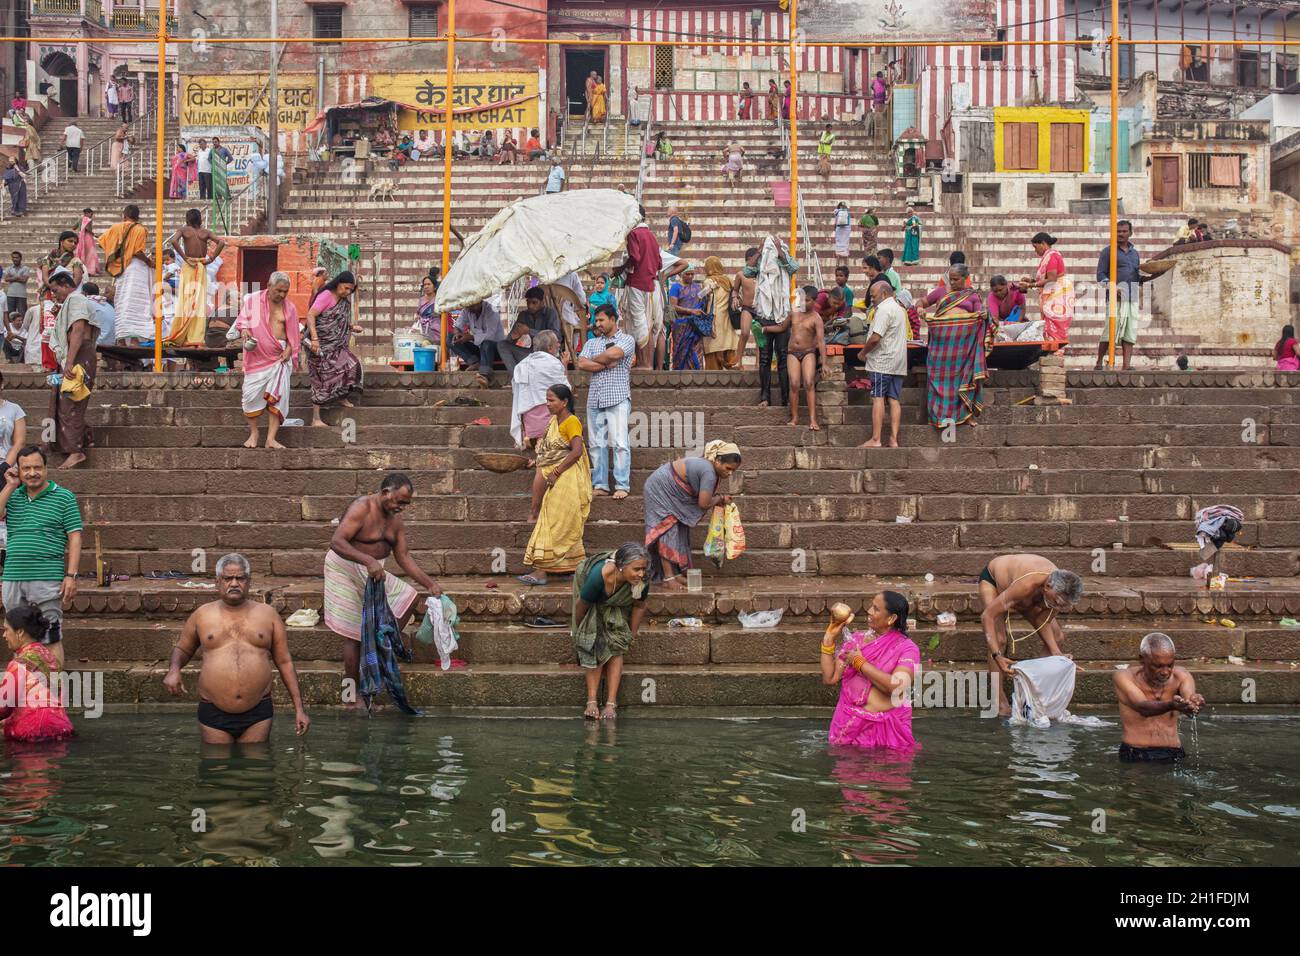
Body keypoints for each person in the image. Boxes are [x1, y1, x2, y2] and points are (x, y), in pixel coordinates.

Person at [163, 554, 309, 742]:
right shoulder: (202, 615)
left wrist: (299, 710)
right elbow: (183, 649)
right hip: (213, 713)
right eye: (227, 578)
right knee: (216, 767)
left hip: (258, 713)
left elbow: (284, 661)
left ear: (248, 582)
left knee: (256, 766)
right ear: (218, 582)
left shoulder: (268, 615)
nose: (234, 583)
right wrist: (174, 670)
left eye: (240, 578)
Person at [325, 473, 444, 693]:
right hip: (344, 567)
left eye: (406, 504)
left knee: (409, 598)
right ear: (386, 493)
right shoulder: (361, 508)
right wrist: (368, 560)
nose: (401, 507)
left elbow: (404, 557)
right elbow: (336, 542)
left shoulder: (396, 522)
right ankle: (351, 698)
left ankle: (379, 645)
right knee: (353, 635)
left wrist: (430, 584)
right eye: (400, 502)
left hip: (373, 571)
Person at [0, 444, 83, 668]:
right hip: (13, 576)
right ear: (18, 469)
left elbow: (75, 537)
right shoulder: (13, 496)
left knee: (50, 637)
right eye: (26, 468)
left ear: (46, 468)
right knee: (17, 638)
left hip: (47, 577)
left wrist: (71, 576)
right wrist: (9, 485)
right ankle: (24, 696)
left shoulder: (64, 497)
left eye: (37, 467)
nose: (32, 472)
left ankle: (53, 696)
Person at [978, 554, 1084, 717]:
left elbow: (1043, 620)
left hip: (1029, 598)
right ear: (1047, 586)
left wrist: (1058, 655)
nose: (1058, 607)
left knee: (1057, 638)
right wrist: (997, 655)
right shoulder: (1027, 585)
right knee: (999, 640)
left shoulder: (1058, 594)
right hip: (995, 582)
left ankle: (1034, 696)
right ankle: (1000, 703)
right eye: (1056, 603)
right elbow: (987, 616)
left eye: (1062, 606)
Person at [822, 590, 919, 750]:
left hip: (887, 736)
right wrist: (828, 639)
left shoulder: (907, 649)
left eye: (876, 608)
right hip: (848, 727)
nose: (869, 611)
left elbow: (896, 687)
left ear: (891, 618)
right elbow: (830, 678)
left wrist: (859, 663)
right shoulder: (857, 640)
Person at [517, 383, 591, 587]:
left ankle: (541, 571)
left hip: (567, 477)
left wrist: (557, 472)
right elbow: (549, 451)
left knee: (554, 522)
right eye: (547, 399)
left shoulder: (572, 421)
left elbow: (576, 451)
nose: (547, 404)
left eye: (552, 400)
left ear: (564, 402)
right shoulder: (553, 421)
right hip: (556, 476)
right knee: (561, 522)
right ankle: (572, 567)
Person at [643, 440, 740, 588]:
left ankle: (675, 574)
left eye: (733, 470)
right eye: (728, 468)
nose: (730, 473)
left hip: (665, 487)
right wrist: (720, 498)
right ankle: (668, 579)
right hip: (660, 490)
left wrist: (718, 498)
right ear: (717, 460)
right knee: (667, 529)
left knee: (680, 529)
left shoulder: (710, 469)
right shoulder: (709, 472)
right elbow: (704, 503)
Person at [572, 542, 650, 720]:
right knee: (594, 642)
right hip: (591, 605)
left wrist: (631, 634)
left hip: (617, 607)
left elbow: (639, 606)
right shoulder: (597, 577)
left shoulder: (642, 580)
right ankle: (591, 701)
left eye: (643, 569)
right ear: (621, 567)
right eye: (636, 569)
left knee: (616, 649)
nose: (641, 573)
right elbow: (581, 607)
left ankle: (611, 703)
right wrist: (580, 632)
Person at [1113, 633, 1204, 763]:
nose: (1165, 672)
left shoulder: (1181, 676)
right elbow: (1143, 707)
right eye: (1158, 666)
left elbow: (1190, 703)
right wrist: (1171, 705)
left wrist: (1195, 703)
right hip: (1136, 753)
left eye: (1170, 665)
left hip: (1174, 753)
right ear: (1142, 659)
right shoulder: (1124, 677)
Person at [918, 263, 989, 428]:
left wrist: (985, 316)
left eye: (956, 279)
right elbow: (921, 302)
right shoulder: (941, 291)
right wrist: (921, 308)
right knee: (940, 381)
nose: (953, 283)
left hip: (964, 349)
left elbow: (980, 316)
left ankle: (967, 416)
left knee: (963, 381)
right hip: (941, 348)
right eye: (950, 279)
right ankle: (939, 418)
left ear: (965, 279)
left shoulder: (972, 296)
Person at [234, 272, 298, 449]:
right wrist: (245, 331)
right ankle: (254, 433)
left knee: (278, 398)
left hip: (280, 359)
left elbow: (294, 337)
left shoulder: (290, 308)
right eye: (279, 291)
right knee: (249, 397)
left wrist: (288, 350)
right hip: (257, 357)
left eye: (286, 291)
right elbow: (243, 322)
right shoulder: (254, 302)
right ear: (269, 286)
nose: (282, 295)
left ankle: (271, 439)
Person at [578, 304, 635, 500]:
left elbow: (615, 354)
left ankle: (621, 485)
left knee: (620, 443)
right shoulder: (592, 342)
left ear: (613, 319)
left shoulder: (627, 339)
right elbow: (581, 363)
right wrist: (604, 362)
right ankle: (600, 484)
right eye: (597, 320)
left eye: (602, 320)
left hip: (618, 397)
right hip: (595, 398)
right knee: (596, 444)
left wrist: (597, 361)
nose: (598, 324)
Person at [0, 603, 74, 742]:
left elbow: (3, 707)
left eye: (6, 630)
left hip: (32, 732)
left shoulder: (19, 664)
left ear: (20, 632)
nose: (4, 635)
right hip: (62, 729)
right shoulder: (52, 659)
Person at [46, 271, 99, 467]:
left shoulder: (76, 299)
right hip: (74, 356)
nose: (54, 295)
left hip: (78, 357)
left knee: (71, 403)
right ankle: (86, 437)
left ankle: (76, 451)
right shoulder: (72, 302)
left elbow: (78, 330)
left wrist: (69, 362)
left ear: (65, 284)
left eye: (55, 289)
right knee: (63, 401)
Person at [305, 270, 363, 427]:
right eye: (345, 288)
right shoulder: (326, 296)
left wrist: (351, 327)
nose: (347, 292)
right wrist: (315, 340)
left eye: (350, 290)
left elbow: (339, 321)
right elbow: (311, 315)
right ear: (338, 284)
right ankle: (316, 418)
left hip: (338, 345)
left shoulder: (344, 301)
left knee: (351, 366)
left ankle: (342, 396)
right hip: (321, 345)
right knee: (320, 378)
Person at [857, 279, 908, 448]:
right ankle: (893, 439)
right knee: (894, 399)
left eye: (873, 296)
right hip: (898, 362)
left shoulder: (884, 310)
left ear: (884, 294)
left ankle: (876, 439)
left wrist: (863, 353)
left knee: (878, 398)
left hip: (882, 361)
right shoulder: (900, 309)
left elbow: (875, 338)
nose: (871, 300)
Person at [163, 209, 226, 347]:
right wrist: (211, 258)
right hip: (201, 265)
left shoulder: (184, 230)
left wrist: (185, 257)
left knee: (186, 300)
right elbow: (221, 242)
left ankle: (183, 336)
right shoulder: (205, 232)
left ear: (187, 219)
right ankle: (195, 338)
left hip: (189, 265)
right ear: (200, 219)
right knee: (199, 302)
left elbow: (173, 241)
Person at [1095, 219, 1149, 370]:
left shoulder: (1135, 253)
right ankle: (1099, 362)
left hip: (1131, 297)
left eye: (1124, 231)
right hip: (1114, 298)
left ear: (1130, 233)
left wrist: (1152, 276)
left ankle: (1126, 365)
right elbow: (1100, 275)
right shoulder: (1108, 251)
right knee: (1109, 331)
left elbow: (1137, 277)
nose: (1121, 234)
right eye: (1118, 231)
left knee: (1129, 333)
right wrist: (1113, 287)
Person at [98, 205, 152, 344]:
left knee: (122, 302)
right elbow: (138, 252)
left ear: (124, 215)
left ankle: (121, 339)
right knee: (136, 303)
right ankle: (134, 340)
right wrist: (149, 262)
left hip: (121, 269)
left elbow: (102, 242)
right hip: (135, 268)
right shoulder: (140, 229)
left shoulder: (115, 227)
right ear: (138, 217)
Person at [614, 205, 662, 361]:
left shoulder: (633, 234)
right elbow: (659, 264)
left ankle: (645, 364)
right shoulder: (652, 237)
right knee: (649, 323)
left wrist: (620, 268)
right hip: (652, 285)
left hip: (637, 284)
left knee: (639, 323)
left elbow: (634, 257)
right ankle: (647, 363)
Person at [509, 329, 569, 451]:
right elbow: (566, 389)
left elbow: (517, 393)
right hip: (550, 419)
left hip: (529, 422)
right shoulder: (554, 364)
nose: (559, 345)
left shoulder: (522, 364)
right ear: (550, 347)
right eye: (557, 342)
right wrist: (565, 366)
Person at [1020, 232, 1074, 343]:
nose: (1035, 250)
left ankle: (1056, 353)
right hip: (1054, 292)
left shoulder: (1052, 256)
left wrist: (1030, 285)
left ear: (1043, 244)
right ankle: (1051, 352)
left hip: (1058, 294)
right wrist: (1032, 281)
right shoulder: (1048, 256)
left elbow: (1052, 279)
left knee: (1055, 327)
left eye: (1035, 247)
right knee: (1049, 327)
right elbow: (1046, 279)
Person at [786, 289, 826, 430]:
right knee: (794, 383)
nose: (804, 302)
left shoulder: (816, 318)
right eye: (802, 299)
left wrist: (825, 363)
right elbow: (782, 327)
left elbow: (821, 341)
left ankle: (813, 419)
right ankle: (795, 417)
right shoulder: (794, 313)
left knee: (809, 383)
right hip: (792, 352)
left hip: (808, 352)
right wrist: (766, 329)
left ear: (814, 301)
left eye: (807, 300)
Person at [0, 371, 25, 559]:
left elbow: (19, 442)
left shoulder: (14, 409)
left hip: (7, 466)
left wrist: (6, 464)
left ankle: (7, 551)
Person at [455, 298, 510, 384]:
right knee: (450, 339)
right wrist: (457, 334)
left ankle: (484, 374)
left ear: (479, 301)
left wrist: (471, 337)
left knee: (486, 343)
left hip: (495, 349)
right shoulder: (467, 310)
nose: (470, 308)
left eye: (472, 305)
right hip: (479, 350)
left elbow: (490, 336)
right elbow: (458, 325)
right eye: (468, 305)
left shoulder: (492, 310)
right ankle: (474, 362)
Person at [668, 266, 710, 370]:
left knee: (696, 350)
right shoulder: (676, 287)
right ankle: (679, 378)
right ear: (682, 274)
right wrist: (691, 311)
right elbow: (673, 306)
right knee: (680, 351)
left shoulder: (697, 287)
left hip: (695, 325)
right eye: (688, 274)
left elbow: (701, 302)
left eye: (692, 274)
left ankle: (697, 378)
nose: (690, 276)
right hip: (681, 324)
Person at [700, 256, 738, 370]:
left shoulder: (708, 281)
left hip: (713, 320)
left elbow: (701, 296)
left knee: (713, 347)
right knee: (728, 344)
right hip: (727, 319)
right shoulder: (729, 281)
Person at [731, 246, 760, 371]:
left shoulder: (762, 274)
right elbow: (735, 290)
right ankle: (738, 362)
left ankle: (758, 364)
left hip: (760, 309)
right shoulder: (741, 275)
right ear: (747, 260)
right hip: (747, 308)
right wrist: (735, 298)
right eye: (750, 260)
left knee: (760, 337)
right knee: (744, 333)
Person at [4, 252, 31, 323]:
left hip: (21, 295)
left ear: (20, 258)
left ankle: (22, 332)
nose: (15, 259)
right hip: (10, 294)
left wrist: (12, 277)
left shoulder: (25, 268)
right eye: (13, 257)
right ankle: (11, 331)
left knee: (22, 314)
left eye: (17, 257)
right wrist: (18, 277)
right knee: (10, 315)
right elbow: (6, 279)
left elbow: (24, 280)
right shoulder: (9, 268)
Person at [74, 208, 99, 277]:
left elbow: (73, 227)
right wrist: (95, 235)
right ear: (87, 213)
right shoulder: (88, 220)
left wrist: (80, 230)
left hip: (81, 238)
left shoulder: (80, 219)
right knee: (90, 254)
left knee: (82, 253)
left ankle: (82, 270)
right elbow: (88, 229)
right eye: (91, 213)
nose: (92, 215)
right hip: (87, 238)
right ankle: (90, 270)